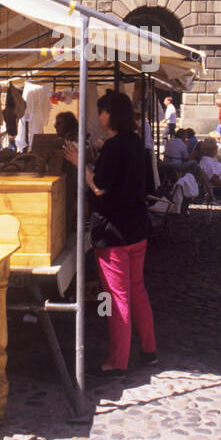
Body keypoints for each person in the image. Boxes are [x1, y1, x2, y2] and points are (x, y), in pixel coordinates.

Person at [63, 90, 156, 377]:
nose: (100, 117)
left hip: (114, 233)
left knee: (117, 298)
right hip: (137, 229)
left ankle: (118, 361)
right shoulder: (134, 141)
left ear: (111, 114)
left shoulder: (115, 145)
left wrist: (81, 166)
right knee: (136, 290)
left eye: (102, 112)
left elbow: (100, 187)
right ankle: (150, 349)